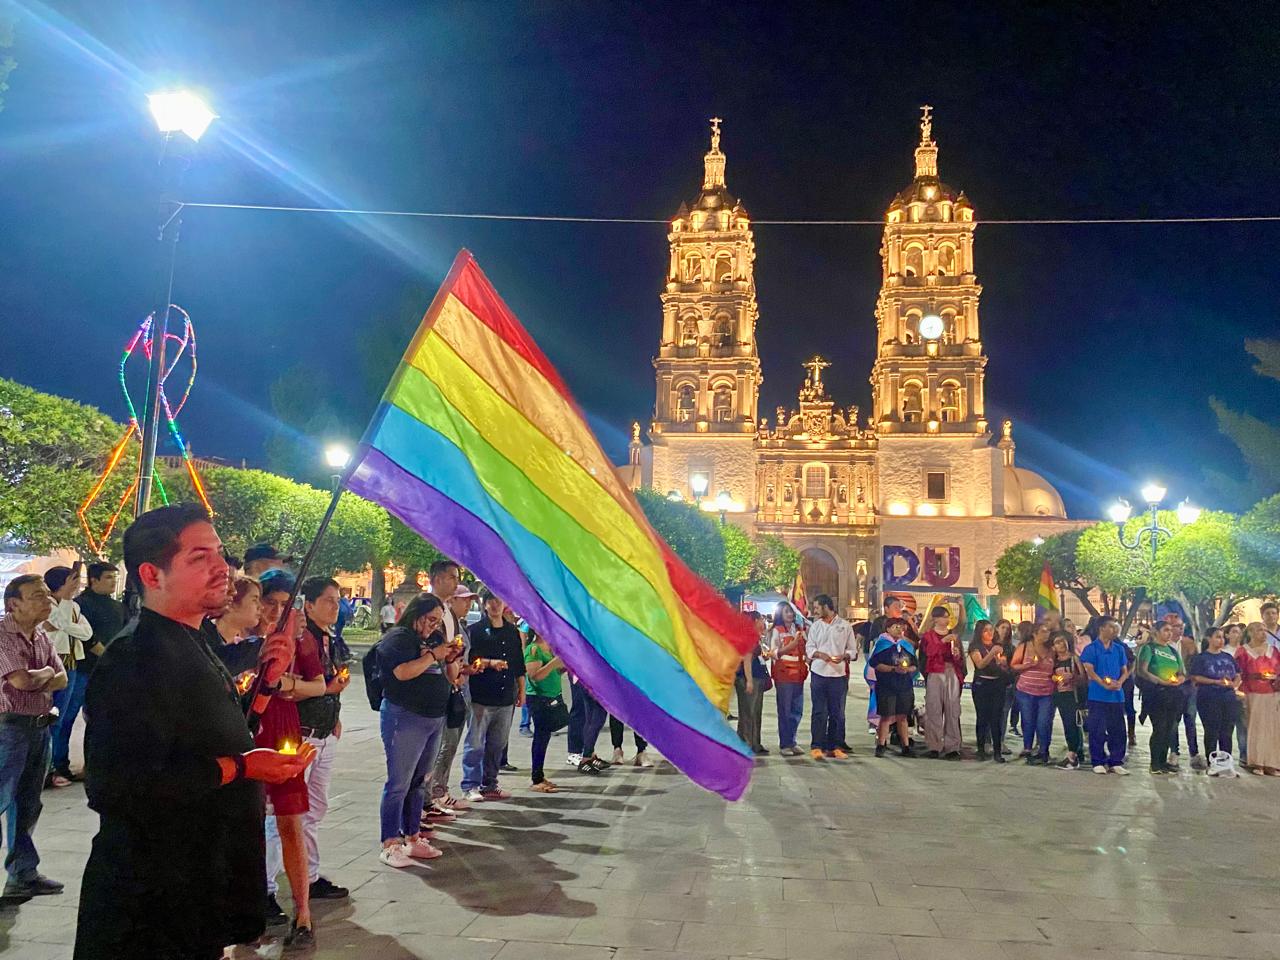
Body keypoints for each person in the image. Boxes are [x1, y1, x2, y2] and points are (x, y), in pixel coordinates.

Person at [75, 504, 313, 959]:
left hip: (197, 892)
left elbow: (218, 731)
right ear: (152, 573)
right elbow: (118, 786)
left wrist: (265, 682)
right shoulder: (135, 657)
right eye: (199, 557)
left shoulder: (192, 639)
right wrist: (241, 767)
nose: (222, 568)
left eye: (220, 554)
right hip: (150, 906)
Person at [255, 570, 327, 943]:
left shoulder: (301, 641)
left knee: (291, 821)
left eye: (287, 604)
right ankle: (251, 900)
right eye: (272, 602)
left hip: (283, 727)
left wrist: (287, 684)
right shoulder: (243, 637)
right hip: (247, 729)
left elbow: (319, 685)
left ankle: (303, 911)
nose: (279, 611)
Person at [0, 574, 66, 900]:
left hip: (38, 727)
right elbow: (21, 683)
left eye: (46, 595)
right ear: (14, 604)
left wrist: (41, 676)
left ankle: (22, 873)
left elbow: (63, 678)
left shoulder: (39, 635)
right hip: (8, 728)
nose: (47, 601)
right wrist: (44, 675)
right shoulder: (3, 635)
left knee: (27, 804)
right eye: (37, 596)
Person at [377, 593, 455, 866]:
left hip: (433, 718)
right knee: (399, 782)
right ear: (416, 613)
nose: (433, 625)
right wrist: (433, 655)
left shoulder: (431, 640)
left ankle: (412, 836)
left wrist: (449, 656)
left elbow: (450, 675)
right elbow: (402, 673)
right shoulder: (398, 638)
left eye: (438, 621)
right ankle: (389, 842)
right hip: (405, 717)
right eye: (431, 619)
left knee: (419, 782)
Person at [295, 577, 351, 903]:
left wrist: (335, 714)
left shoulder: (329, 639)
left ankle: (310, 875)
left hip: (325, 731)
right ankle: (271, 888)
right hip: (303, 733)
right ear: (310, 604)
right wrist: (328, 692)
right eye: (328, 600)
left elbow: (331, 681)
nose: (335, 606)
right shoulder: (302, 639)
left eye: (338, 599)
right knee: (288, 812)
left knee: (315, 808)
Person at [460, 591, 526, 800]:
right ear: (485, 605)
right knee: (476, 742)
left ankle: (490, 782)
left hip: (505, 695)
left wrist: (521, 690)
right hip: (482, 694)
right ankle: (470, 784)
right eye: (491, 601)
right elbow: (469, 662)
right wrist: (489, 663)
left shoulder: (512, 632)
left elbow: (518, 665)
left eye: (499, 600)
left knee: (498, 743)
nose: (496, 605)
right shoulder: (475, 631)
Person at [427, 567, 475, 814]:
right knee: (437, 748)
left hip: (452, 683)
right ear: (437, 580)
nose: (457, 582)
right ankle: (429, 800)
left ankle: (435, 796)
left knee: (444, 744)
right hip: (437, 688)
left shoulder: (448, 614)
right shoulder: (431, 608)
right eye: (452, 578)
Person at [42, 565, 93, 787]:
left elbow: (86, 632)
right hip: (55, 664)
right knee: (54, 717)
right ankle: (47, 768)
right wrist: (66, 623)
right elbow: (59, 623)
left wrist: (66, 626)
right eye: (72, 581)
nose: (76, 585)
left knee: (67, 717)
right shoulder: (50, 605)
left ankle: (59, 763)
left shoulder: (73, 606)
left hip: (72, 664)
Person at [806, 594, 856, 760]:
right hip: (819, 672)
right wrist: (819, 654)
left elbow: (853, 650)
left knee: (836, 712)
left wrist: (844, 655)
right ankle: (816, 745)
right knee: (819, 711)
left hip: (838, 674)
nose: (815, 610)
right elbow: (810, 647)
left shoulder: (844, 625)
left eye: (817, 607)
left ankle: (834, 746)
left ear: (826, 606)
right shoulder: (815, 626)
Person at [1135, 619, 1188, 775]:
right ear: (1156, 632)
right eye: (1166, 630)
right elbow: (1142, 670)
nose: (1169, 633)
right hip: (1157, 693)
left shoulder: (1172, 651)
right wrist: (1160, 681)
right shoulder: (1149, 648)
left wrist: (1179, 680)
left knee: (1170, 728)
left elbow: (1182, 672)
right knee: (1159, 727)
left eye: (1171, 630)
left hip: (1173, 693)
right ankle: (1155, 762)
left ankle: (1163, 761)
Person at [1079, 616, 1130, 775]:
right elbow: (1090, 670)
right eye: (1111, 627)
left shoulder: (1119, 649)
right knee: (1098, 728)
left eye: (1115, 627)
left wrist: (1120, 682)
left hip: (1116, 696)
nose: (1114, 630)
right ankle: (1098, 760)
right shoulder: (1091, 649)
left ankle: (1116, 760)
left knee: (1118, 729)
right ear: (1101, 628)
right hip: (1098, 695)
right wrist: (1102, 683)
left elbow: (1124, 670)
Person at [1190, 628, 1241, 771]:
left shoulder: (1228, 657)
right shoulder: (1201, 658)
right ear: (1209, 639)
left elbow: (1237, 673)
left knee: (1227, 730)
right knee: (1212, 730)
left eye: (1222, 637)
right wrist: (1214, 682)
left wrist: (1234, 683)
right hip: (1209, 697)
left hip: (1228, 697)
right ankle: (1212, 761)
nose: (1221, 640)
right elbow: (1195, 677)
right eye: (1217, 637)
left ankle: (1226, 762)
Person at [523, 627, 567, 791]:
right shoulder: (533, 649)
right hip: (539, 698)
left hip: (552, 696)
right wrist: (554, 663)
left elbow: (554, 672)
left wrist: (561, 667)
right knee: (540, 737)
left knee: (545, 736)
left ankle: (539, 775)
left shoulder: (549, 648)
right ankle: (536, 779)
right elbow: (534, 676)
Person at [919, 605, 965, 760]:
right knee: (934, 709)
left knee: (952, 709)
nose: (947, 619)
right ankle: (934, 745)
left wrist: (957, 654)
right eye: (944, 616)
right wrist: (942, 642)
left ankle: (952, 745)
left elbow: (959, 658)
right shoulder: (928, 636)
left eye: (948, 616)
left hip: (951, 671)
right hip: (935, 672)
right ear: (936, 618)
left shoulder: (954, 635)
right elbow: (928, 654)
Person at [1235, 622, 1280, 776]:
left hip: (1272, 692)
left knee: (1273, 728)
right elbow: (1237, 673)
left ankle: (1272, 763)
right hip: (1252, 692)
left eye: (1264, 630)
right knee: (1256, 727)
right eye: (1260, 630)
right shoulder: (1243, 652)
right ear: (1251, 633)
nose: (1263, 633)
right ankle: (1257, 762)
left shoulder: (1273, 650)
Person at [869, 620, 916, 758]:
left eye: (901, 627)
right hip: (886, 686)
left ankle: (905, 746)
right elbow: (875, 664)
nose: (899, 629)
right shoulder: (881, 645)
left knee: (902, 716)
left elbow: (915, 665)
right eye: (896, 627)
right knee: (886, 716)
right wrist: (893, 669)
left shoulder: (906, 645)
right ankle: (881, 744)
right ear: (888, 629)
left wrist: (907, 670)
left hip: (904, 686)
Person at [1011, 621, 1055, 765]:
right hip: (1026, 691)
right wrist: (1027, 665)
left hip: (1046, 692)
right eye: (1043, 631)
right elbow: (1014, 665)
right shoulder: (1024, 647)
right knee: (1028, 721)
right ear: (1034, 633)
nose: (1046, 634)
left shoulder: (1052, 649)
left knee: (1043, 722)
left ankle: (1043, 750)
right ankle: (1028, 748)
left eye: (1048, 631)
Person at [768, 601, 807, 756]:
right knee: (785, 709)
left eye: (791, 612)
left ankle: (792, 741)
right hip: (783, 675)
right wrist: (790, 646)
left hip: (798, 674)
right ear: (780, 615)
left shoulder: (799, 630)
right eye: (786, 612)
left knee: (797, 710)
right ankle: (785, 743)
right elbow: (773, 653)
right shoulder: (777, 631)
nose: (790, 615)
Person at [967, 620, 1009, 762]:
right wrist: (992, 653)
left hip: (997, 684)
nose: (990, 633)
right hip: (982, 684)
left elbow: (1002, 664)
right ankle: (981, 749)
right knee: (982, 718)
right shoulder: (975, 647)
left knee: (996, 718)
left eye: (991, 630)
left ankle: (997, 751)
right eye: (986, 630)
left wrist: (1002, 662)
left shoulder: (997, 646)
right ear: (980, 632)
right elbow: (980, 664)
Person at [734, 612, 769, 756]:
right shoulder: (749, 636)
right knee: (748, 712)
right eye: (761, 619)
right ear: (754, 621)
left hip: (755, 677)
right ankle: (746, 743)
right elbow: (746, 659)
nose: (763, 621)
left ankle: (754, 742)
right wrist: (749, 680)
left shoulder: (755, 636)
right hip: (749, 678)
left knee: (755, 711)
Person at [1049, 630, 1085, 770]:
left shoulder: (1074, 658)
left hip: (1072, 695)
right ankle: (1074, 752)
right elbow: (1051, 676)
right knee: (1067, 724)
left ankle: (1073, 755)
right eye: (1057, 642)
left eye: (1062, 641)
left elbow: (1083, 677)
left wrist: (1073, 678)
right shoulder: (1055, 661)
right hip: (1060, 695)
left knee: (1073, 724)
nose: (1061, 644)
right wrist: (1057, 678)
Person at [1223, 622, 1248, 760]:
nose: (1237, 634)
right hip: (1228, 690)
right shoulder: (1225, 651)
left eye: (1239, 632)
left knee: (1243, 725)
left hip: (1244, 691)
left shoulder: (1245, 650)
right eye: (1233, 631)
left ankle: (1244, 754)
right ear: (1227, 634)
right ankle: (1226, 755)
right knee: (1228, 726)